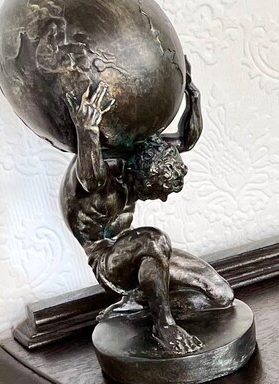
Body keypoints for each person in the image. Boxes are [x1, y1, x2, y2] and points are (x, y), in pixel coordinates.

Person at [60, 59, 232, 355]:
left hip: (137, 252)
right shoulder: (103, 177)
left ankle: (139, 301)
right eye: (157, 193)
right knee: (155, 239)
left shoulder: (139, 153)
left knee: (221, 294)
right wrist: (87, 130)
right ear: (140, 178)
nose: (161, 200)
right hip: (108, 262)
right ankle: (163, 325)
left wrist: (192, 94)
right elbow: (89, 179)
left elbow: (186, 140)